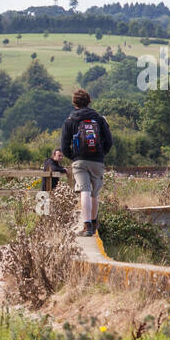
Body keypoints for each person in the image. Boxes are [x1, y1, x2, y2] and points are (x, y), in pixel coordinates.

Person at [60, 89, 113, 237]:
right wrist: (101, 154)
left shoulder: (70, 120)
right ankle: (94, 223)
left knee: (85, 191)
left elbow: (64, 146)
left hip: (80, 160)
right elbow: (109, 141)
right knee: (94, 193)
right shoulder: (99, 119)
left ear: (74, 103)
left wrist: (74, 157)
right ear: (89, 101)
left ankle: (87, 226)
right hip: (97, 160)